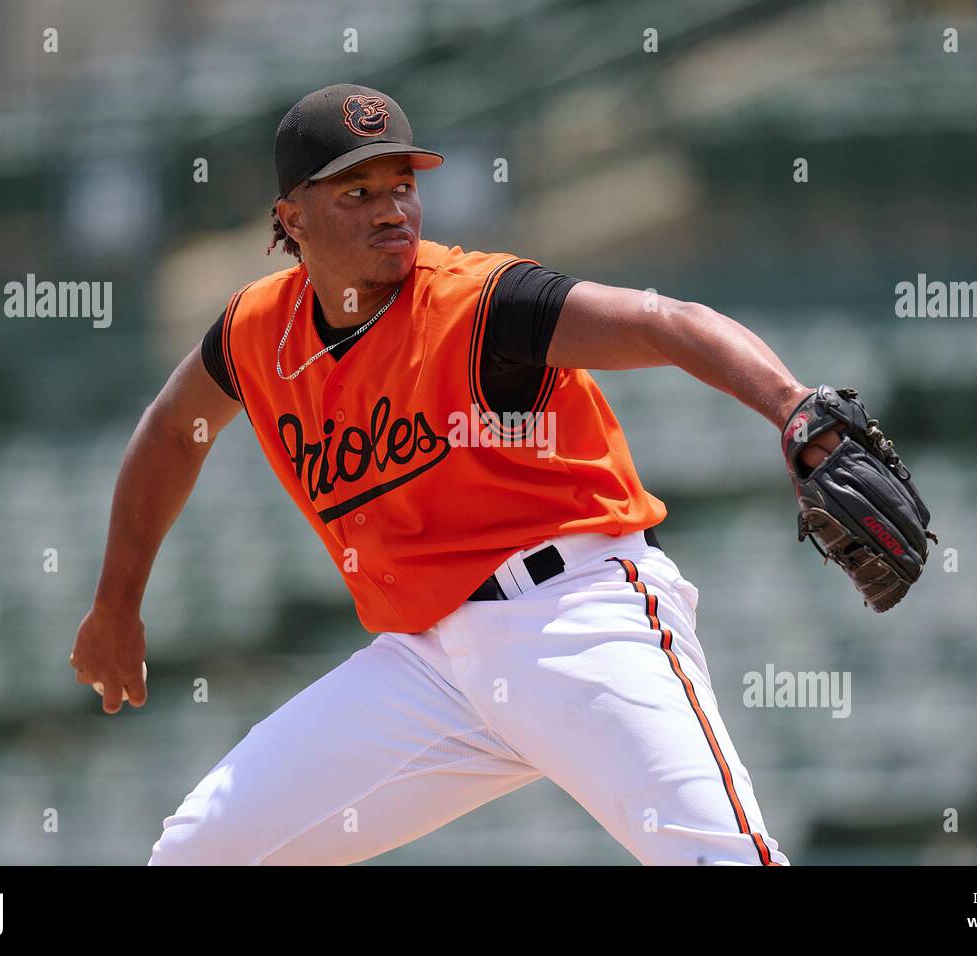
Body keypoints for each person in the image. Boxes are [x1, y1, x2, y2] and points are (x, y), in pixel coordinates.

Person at [71, 83, 841, 865]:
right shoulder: (256, 330)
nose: (391, 209)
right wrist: (115, 607)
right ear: (292, 217)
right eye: (358, 191)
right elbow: (172, 430)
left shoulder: (478, 303)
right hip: (429, 668)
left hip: (575, 619)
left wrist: (792, 408)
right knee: (197, 854)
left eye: (403, 186)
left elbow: (661, 321)